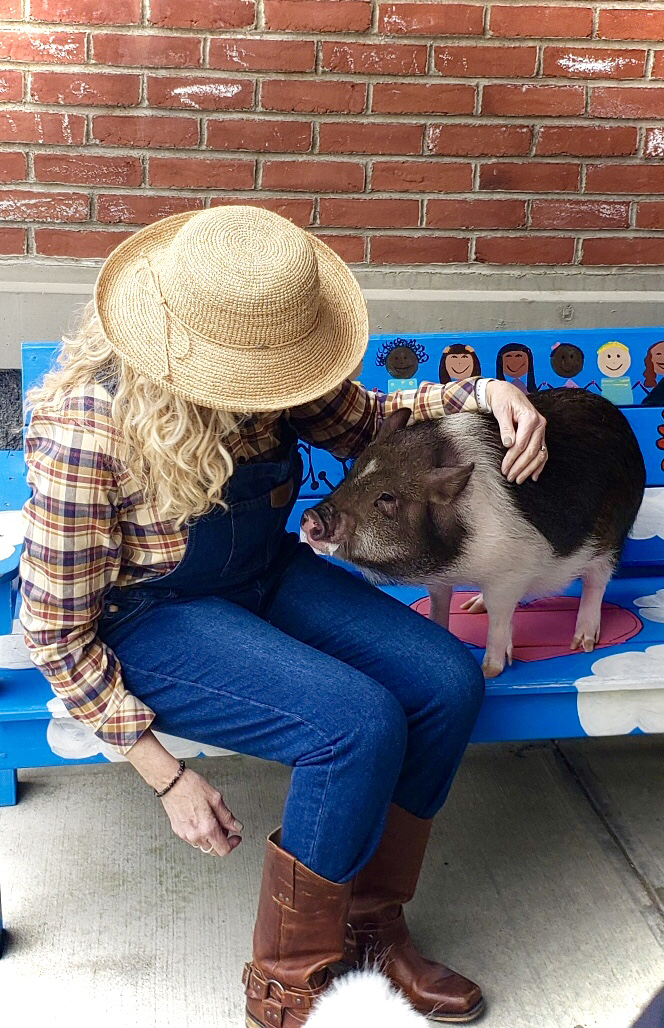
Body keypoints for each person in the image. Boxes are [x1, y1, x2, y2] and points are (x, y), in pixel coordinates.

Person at [19, 206, 548, 1027]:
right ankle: (285, 989)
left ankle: (371, 927)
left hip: (263, 574)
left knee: (446, 681)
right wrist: (164, 774)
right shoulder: (89, 430)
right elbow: (53, 629)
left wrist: (485, 393)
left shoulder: (276, 373)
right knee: (355, 723)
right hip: (148, 614)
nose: (274, 394)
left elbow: (370, 421)